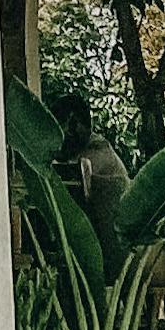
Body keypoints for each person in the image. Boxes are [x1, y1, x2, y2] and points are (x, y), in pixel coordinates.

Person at [48, 88, 130, 255]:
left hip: (113, 250)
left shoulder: (97, 152)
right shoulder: (82, 151)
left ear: (73, 125)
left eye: (58, 132)